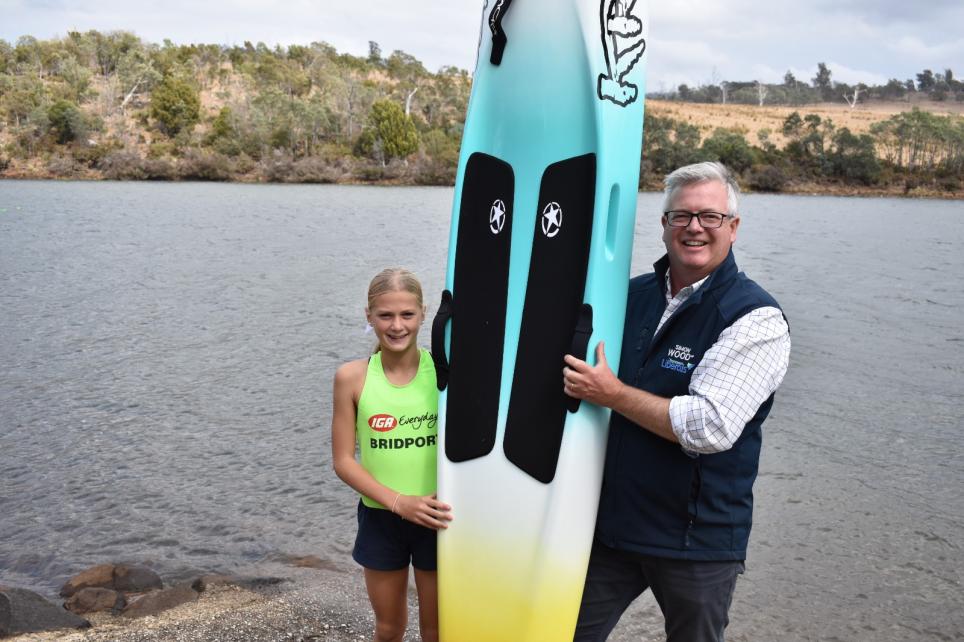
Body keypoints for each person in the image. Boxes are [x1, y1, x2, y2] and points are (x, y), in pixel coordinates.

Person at [564, 162, 791, 642]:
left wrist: (612, 393)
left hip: (697, 541)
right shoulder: (630, 296)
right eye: (680, 216)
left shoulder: (754, 318)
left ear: (733, 227)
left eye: (709, 216)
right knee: (563, 634)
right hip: (612, 527)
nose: (694, 227)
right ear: (663, 224)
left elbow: (709, 426)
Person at [331, 268, 453, 642]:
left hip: (437, 517)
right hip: (382, 518)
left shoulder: (446, 374)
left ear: (423, 314)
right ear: (369, 316)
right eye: (385, 315)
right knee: (388, 627)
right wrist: (400, 503)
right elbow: (344, 461)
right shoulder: (352, 377)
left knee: (437, 631)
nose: (397, 325)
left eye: (407, 315)